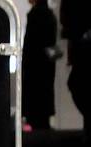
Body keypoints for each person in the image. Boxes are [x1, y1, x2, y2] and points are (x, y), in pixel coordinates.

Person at [23, 0, 61, 130]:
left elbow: (30, 46)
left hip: (34, 65)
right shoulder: (49, 15)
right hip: (45, 65)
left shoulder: (35, 15)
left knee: (35, 98)